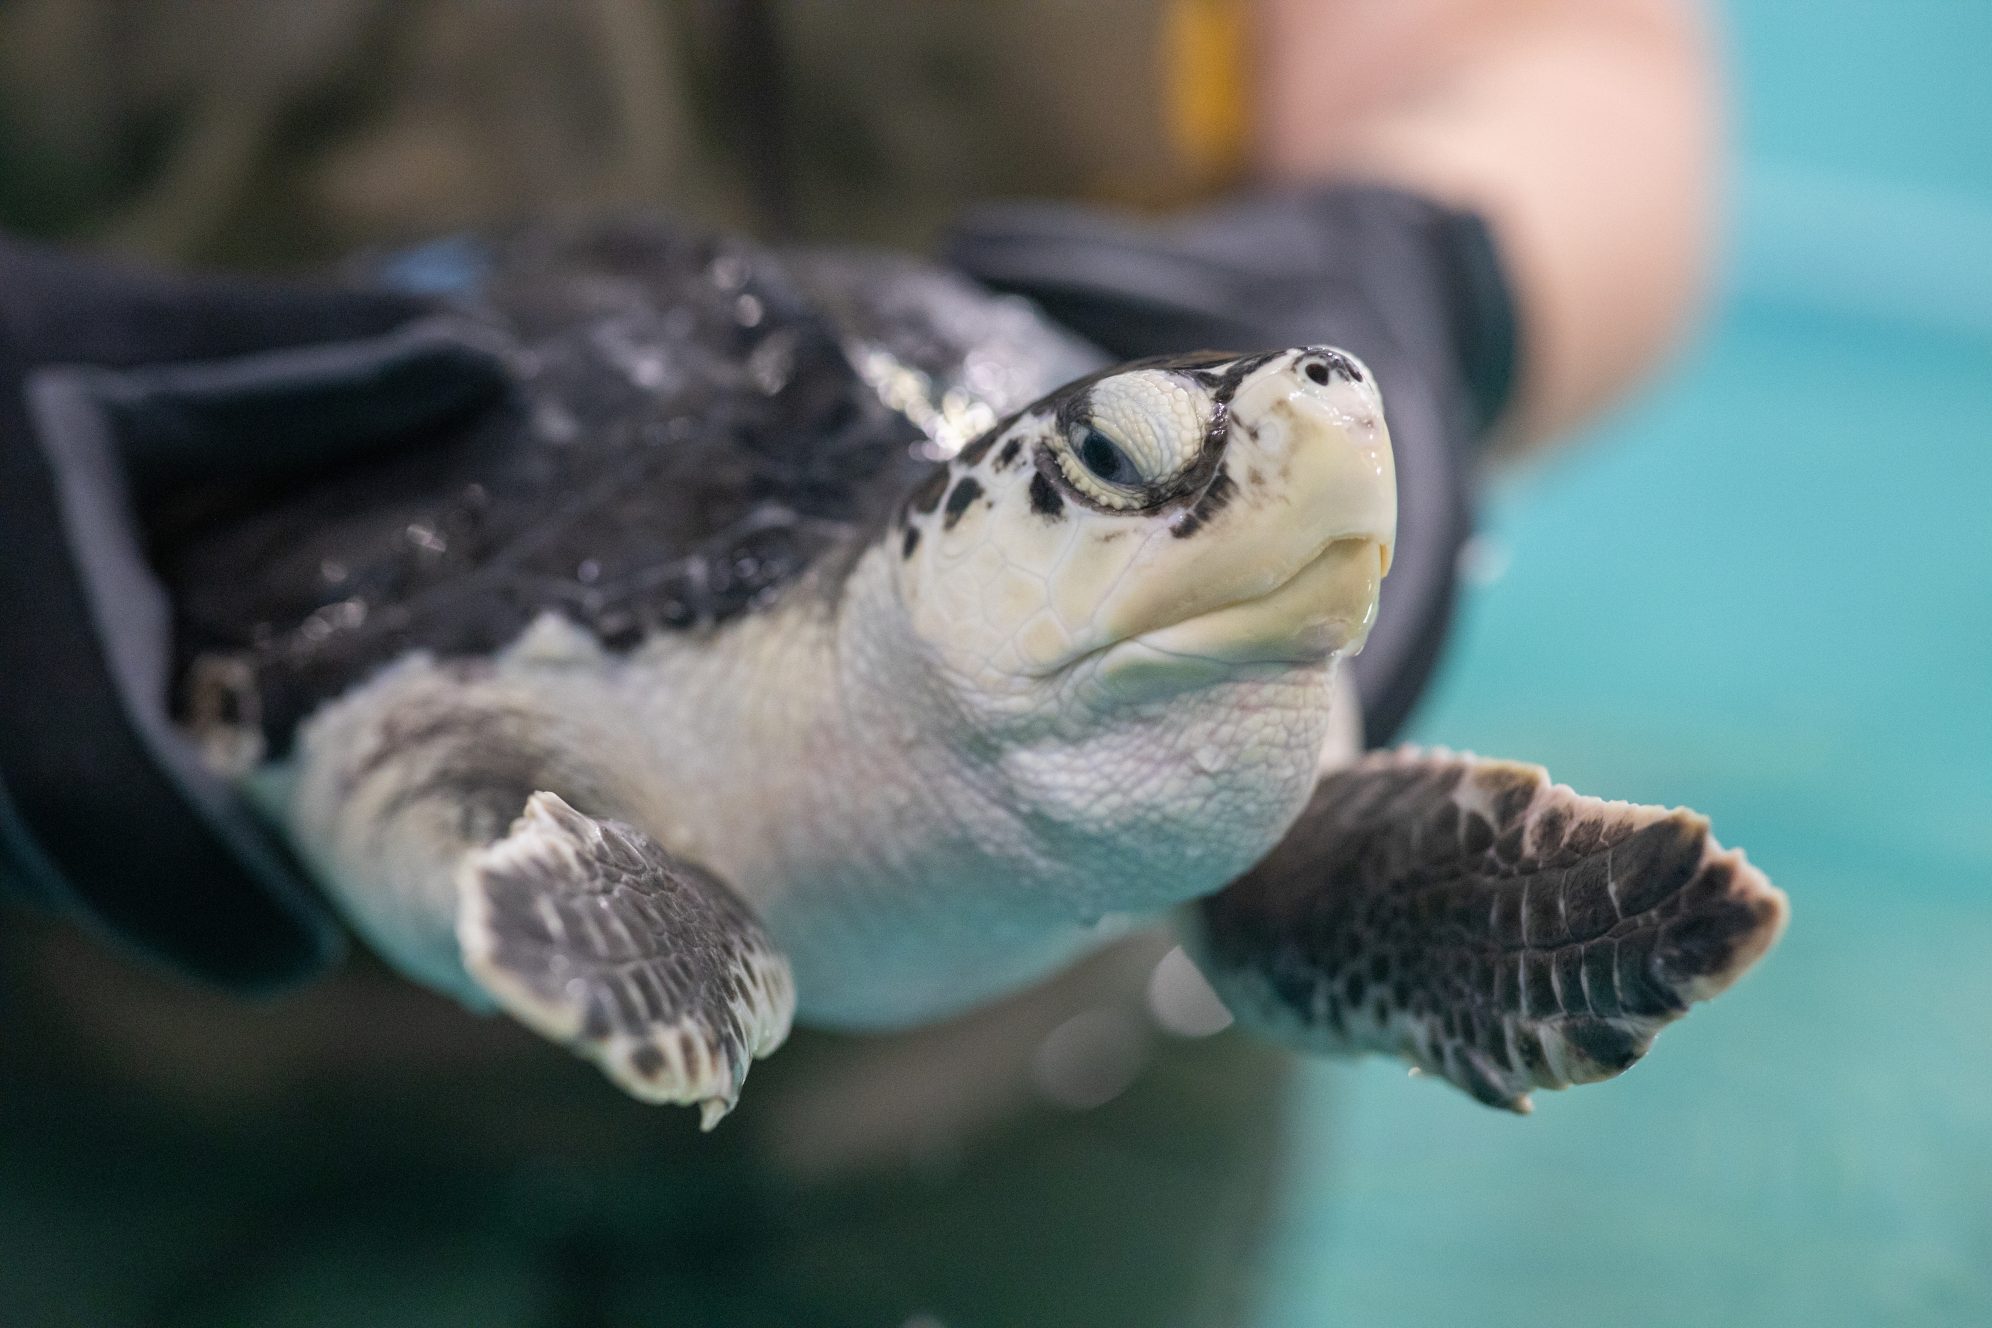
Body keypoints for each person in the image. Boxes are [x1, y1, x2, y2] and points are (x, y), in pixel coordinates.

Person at [0, 3, 1718, 1322]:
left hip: (1051, 1116)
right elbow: (411, 747)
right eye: (1129, 468)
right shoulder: (596, 710)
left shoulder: (1202, 696)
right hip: (126, 1095)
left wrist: (1437, 266)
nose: (1319, 475)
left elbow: (1552, 46)